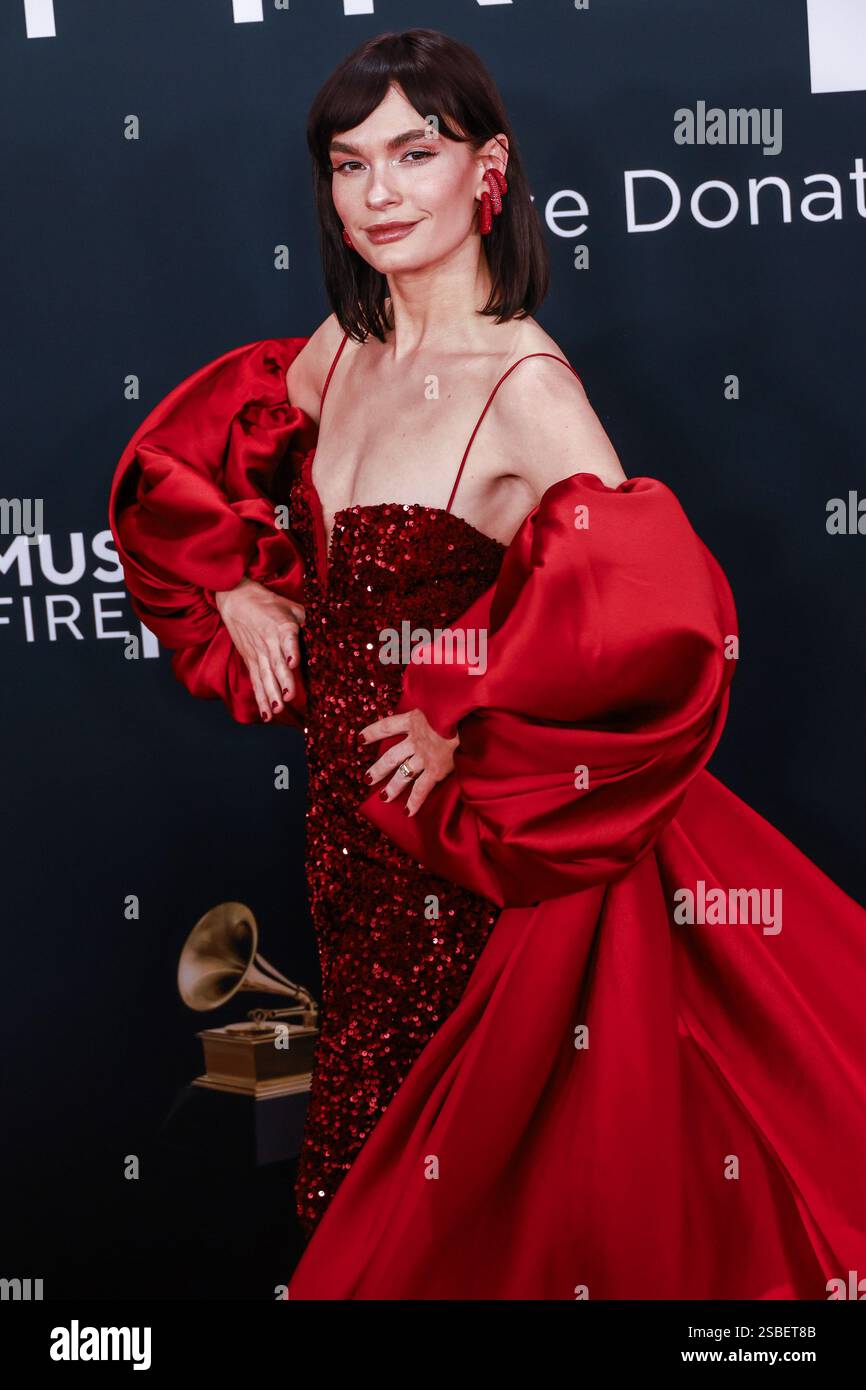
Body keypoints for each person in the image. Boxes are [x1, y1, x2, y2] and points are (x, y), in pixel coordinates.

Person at [110, 29, 866, 1300]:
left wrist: (468, 696)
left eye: (416, 153)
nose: (381, 194)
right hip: (349, 861)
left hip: (467, 872)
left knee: (476, 1213)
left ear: (487, 170)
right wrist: (233, 580)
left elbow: (647, 609)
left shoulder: (525, 384)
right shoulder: (337, 353)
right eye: (351, 165)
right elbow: (170, 477)